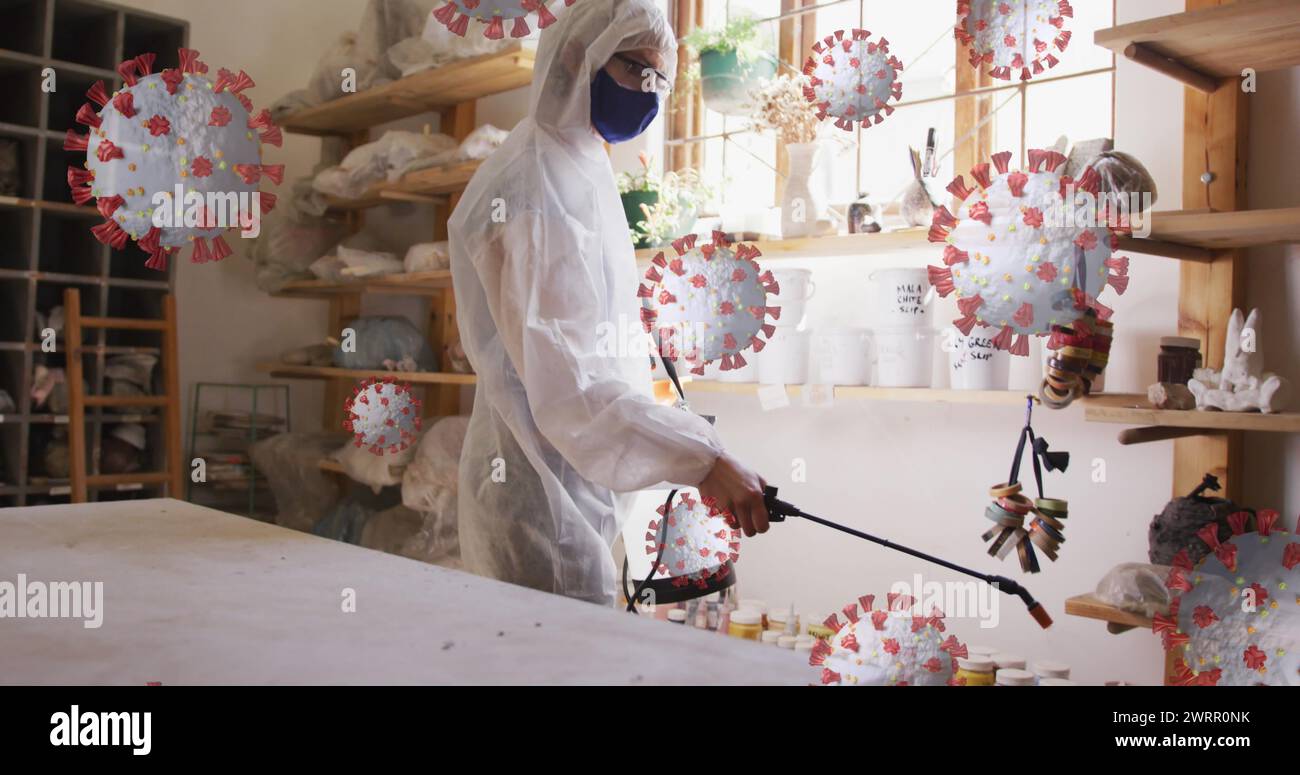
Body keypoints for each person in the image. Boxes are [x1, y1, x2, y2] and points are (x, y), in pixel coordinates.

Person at [448, 0, 770, 607]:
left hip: (571, 480)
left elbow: (586, 348)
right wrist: (705, 458)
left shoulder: (577, 165)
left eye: (659, 80)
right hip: (534, 494)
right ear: (578, 55)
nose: (647, 94)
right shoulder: (529, 184)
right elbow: (572, 386)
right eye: (634, 71)